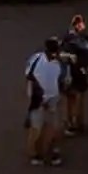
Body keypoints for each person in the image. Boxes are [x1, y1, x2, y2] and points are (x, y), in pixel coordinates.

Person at [25, 37, 66, 167]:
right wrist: (39, 97)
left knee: (55, 127)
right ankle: (36, 154)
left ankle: (53, 151)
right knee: (36, 128)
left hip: (53, 98)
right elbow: (29, 76)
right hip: (38, 99)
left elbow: (63, 81)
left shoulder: (60, 63)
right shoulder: (37, 59)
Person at [60, 15, 88, 136]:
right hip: (79, 72)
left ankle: (71, 123)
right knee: (78, 98)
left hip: (70, 72)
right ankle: (77, 123)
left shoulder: (66, 39)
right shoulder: (85, 40)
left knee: (71, 98)